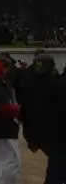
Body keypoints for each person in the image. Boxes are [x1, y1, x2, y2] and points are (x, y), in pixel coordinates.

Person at [17, 54, 66, 184]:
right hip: (56, 136)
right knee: (56, 171)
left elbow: (24, 113)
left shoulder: (27, 84)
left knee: (57, 168)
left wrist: (29, 137)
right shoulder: (56, 85)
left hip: (38, 134)